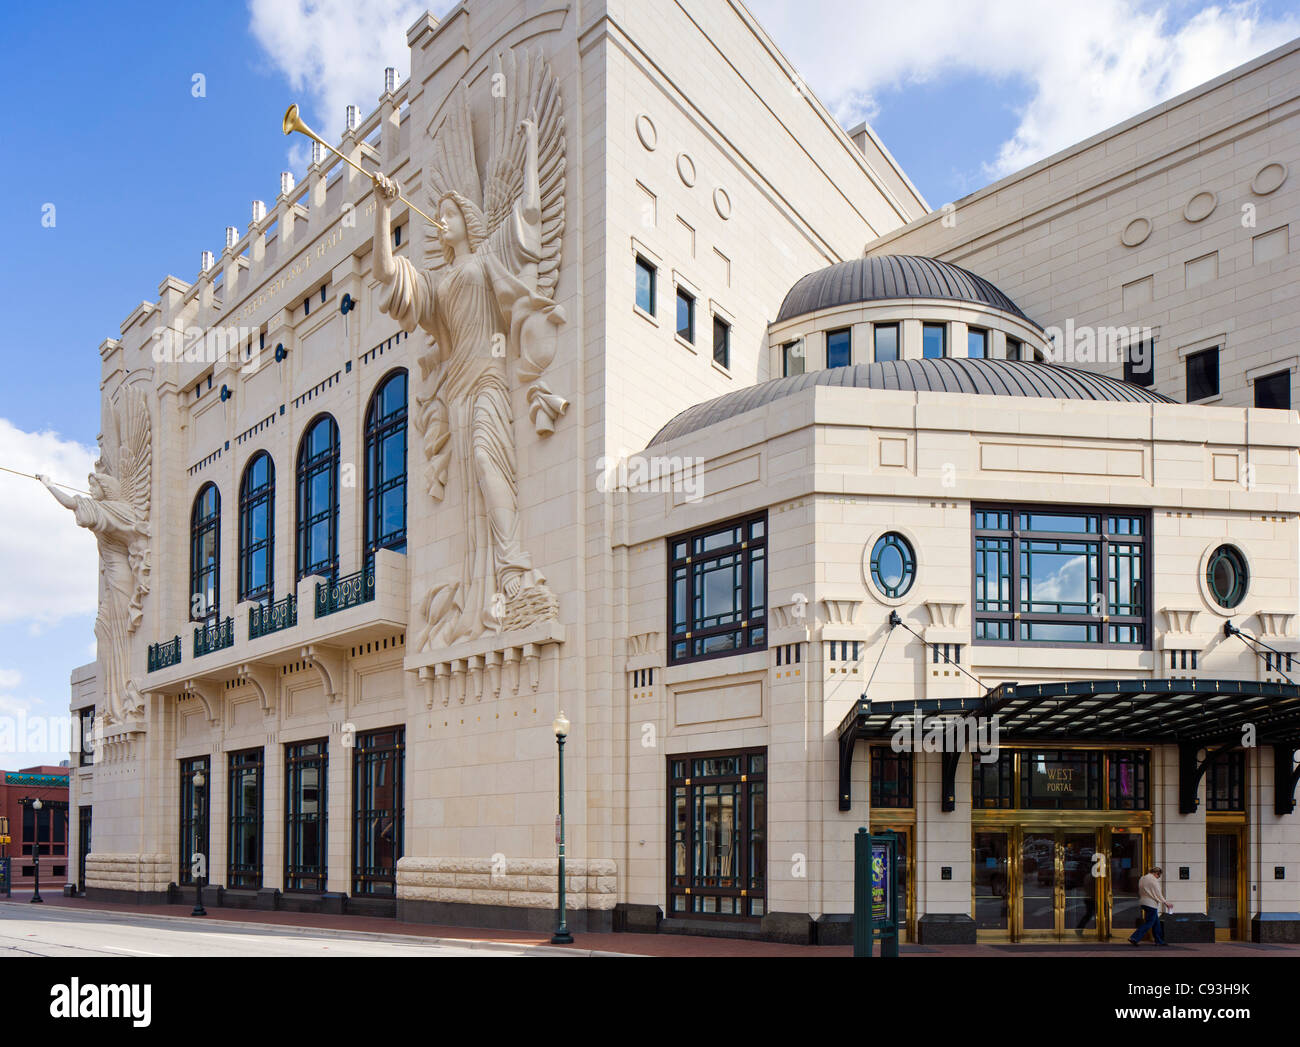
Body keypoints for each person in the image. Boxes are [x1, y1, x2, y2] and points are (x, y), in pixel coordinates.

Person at [1129, 865, 1172, 946]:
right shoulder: (1153, 880)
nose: (1158, 878)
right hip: (1151, 904)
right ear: (1157, 873)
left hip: (1143, 902)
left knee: (1156, 923)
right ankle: (1134, 937)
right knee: (1149, 922)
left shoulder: (1142, 878)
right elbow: (1158, 893)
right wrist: (1165, 902)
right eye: (1159, 876)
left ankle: (1159, 941)